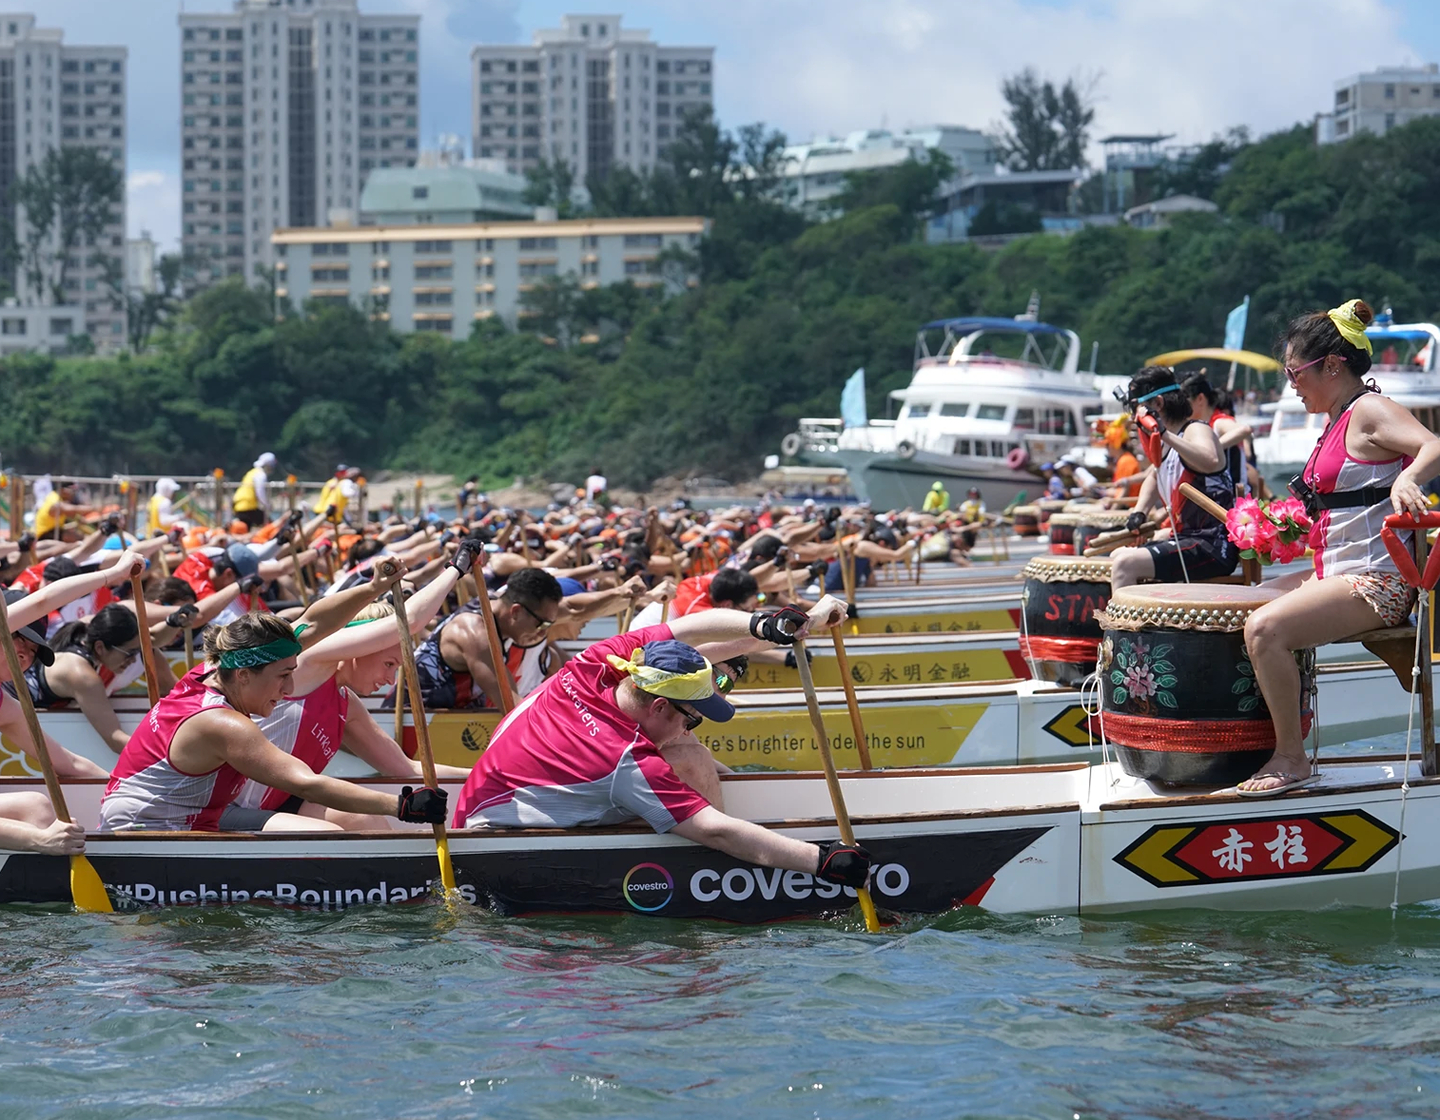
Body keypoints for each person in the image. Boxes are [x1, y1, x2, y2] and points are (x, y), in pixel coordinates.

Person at [450, 596, 871, 890]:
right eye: (692, 717)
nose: (692, 726)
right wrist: (823, 860)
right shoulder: (625, 760)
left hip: (481, 806)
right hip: (496, 845)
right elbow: (718, 832)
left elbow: (691, 630)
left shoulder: (596, 664)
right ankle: (717, 876)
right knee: (690, 760)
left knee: (689, 755)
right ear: (657, 708)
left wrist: (772, 625)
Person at [1238, 299, 1440, 795]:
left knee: (1263, 629)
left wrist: (1409, 477)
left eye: (1294, 372)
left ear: (1331, 365)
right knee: (1236, 606)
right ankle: (1254, 740)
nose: (1291, 383)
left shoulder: (1369, 409)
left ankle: (1290, 758)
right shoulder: (1335, 420)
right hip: (1337, 571)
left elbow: (1434, 445)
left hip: (1379, 581)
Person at [96, 613, 449, 832]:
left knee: (351, 824)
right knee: (320, 835)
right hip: (145, 825)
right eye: (283, 677)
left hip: (184, 815)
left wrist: (374, 587)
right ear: (246, 675)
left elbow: (316, 622)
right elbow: (307, 783)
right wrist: (401, 805)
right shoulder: (223, 723)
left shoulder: (214, 669)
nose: (290, 689)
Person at [221, 545, 481, 830]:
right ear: (363, 646)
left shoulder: (348, 706)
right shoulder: (306, 664)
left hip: (275, 806)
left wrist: (485, 772)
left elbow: (407, 769)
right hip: (225, 808)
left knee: (364, 820)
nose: (391, 680)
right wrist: (456, 570)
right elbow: (412, 622)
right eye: (389, 664)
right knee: (331, 831)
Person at [1108, 366, 1238, 590]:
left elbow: (1211, 460)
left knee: (1125, 564)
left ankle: (1122, 626)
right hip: (1185, 537)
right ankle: (1149, 622)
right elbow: (1155, 472)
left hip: (1211, 545)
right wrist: (1140, 511)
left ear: (1157, 404)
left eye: (1140, 410)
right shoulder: (1167, 444)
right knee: (1118, 553)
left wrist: (1164, 434)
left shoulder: (1195, 430)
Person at [24, 604, 177, 755]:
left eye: (138, 651)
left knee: (151, 651)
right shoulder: (81, 675)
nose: (133, 660)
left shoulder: (91, 628)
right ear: (100, 648)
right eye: (130, 653)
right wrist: (172, 753)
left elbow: (152, 638)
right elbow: (116, 740)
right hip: (13, 710)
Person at [406, 566, 564, 710]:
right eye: (542, 624)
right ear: (516, 611)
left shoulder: (497, 610)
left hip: (450, 722)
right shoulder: (474, 631)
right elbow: (510, 704)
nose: (543, 633)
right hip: (411, 725)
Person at [1184, 374, 1252, 497]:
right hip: (1214, 502)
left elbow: (1244, 429)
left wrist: (1211, 449)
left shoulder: (1218, 422)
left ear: (1200, 399)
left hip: (1235, 502)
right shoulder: (1196, 428)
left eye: (1185, 401)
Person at [233, 453, 277, 530]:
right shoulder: (260, 475)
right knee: (269, 525)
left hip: (239, 506)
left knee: (246, 528)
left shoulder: (252, 472)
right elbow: (260, 492)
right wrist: (267, 504)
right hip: (248, 507)